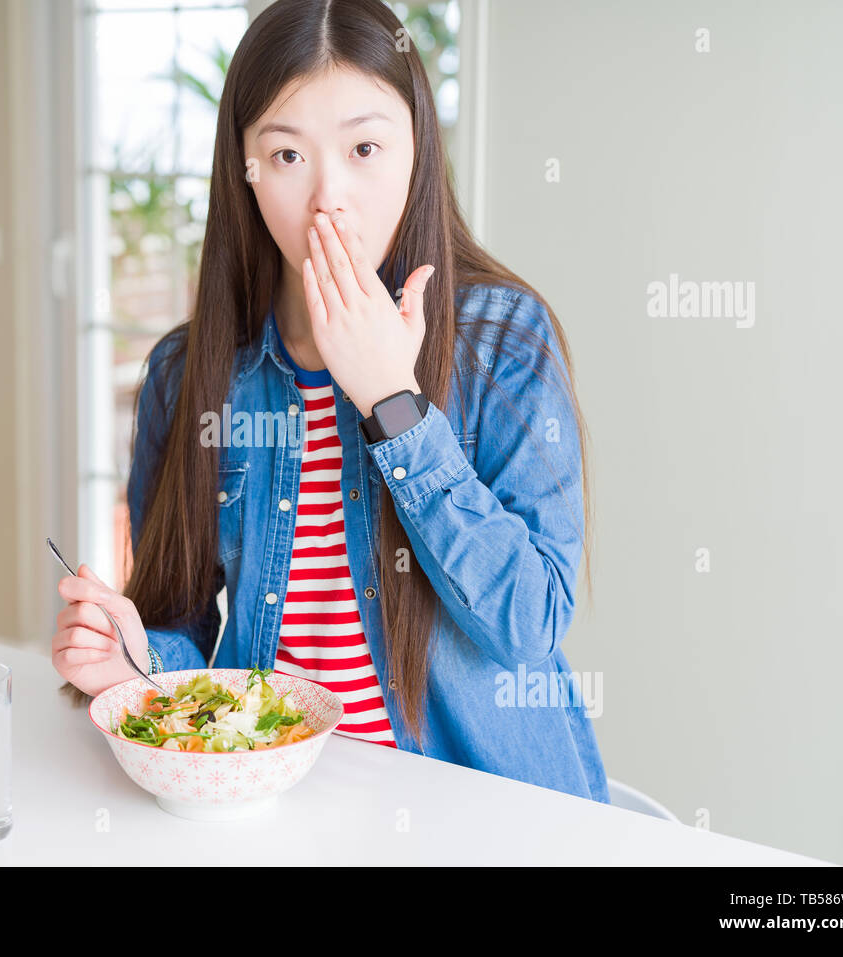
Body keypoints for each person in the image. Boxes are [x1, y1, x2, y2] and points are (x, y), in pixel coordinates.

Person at [53, 0, 608, 803]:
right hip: (283, 811)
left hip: (489, 820)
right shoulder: (190, 372)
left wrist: (395, 403)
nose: (328, 198)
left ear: (417, 151)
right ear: (241, 168)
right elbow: (183, 628)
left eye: (365, 147)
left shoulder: (502, 340)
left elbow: (529, 627)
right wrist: (137, 661)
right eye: (285, 155)